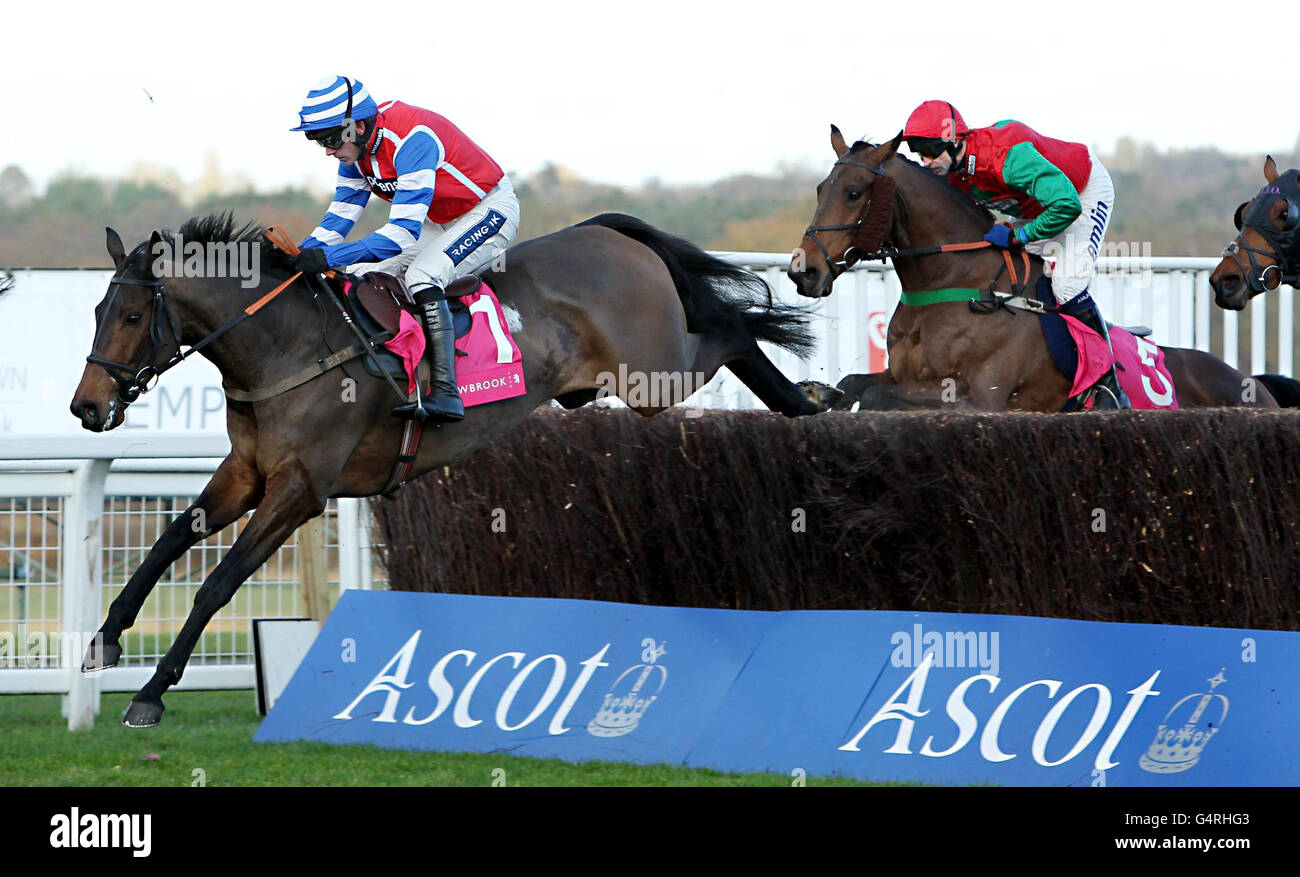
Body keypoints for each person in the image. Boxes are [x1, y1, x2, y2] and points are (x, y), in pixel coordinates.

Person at [291, 75, 520, 422]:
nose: (327, 149)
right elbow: (341, 215)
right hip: (437, 220)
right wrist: (298, 254)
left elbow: (398, 236)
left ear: (360, 126)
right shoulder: (355, 152)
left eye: (330, 138)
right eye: (316, 139)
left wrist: (329, 257)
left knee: (423, 275)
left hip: (488, 209)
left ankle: (446, 392)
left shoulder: (414, 138)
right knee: (362, 275)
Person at [902, 100, 1130, 409]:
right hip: (1039, 206)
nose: (926, 162)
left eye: (929, 151)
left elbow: (1066, 206)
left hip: (1081, 193)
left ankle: (1109, 386)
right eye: (919, 154)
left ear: (954, 141)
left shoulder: (1008, 158)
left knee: (1067, 284)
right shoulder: (955, 173)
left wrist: (1020, 235)